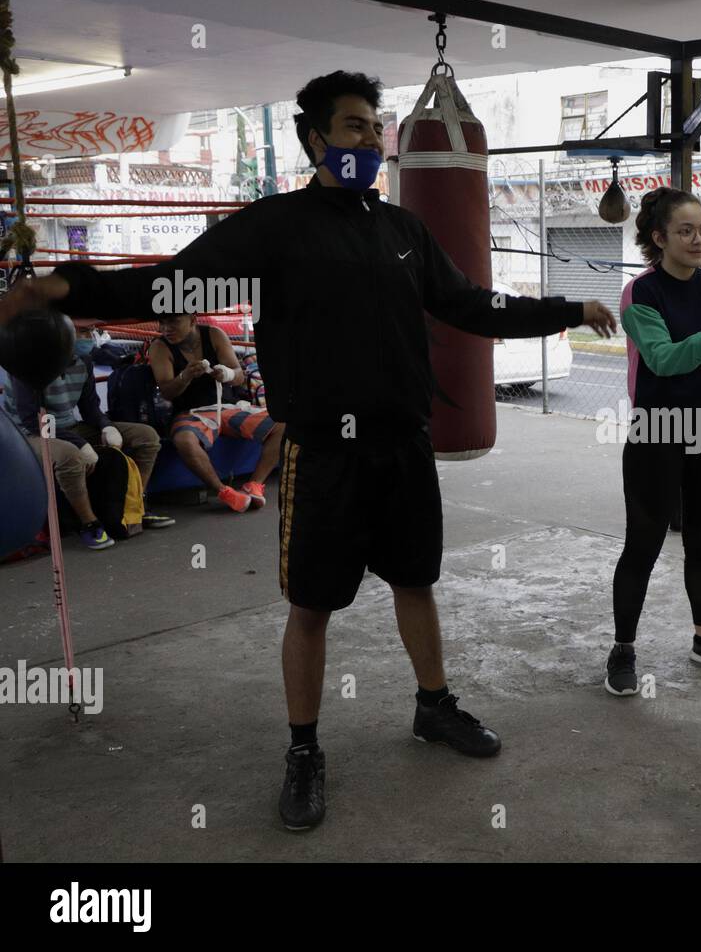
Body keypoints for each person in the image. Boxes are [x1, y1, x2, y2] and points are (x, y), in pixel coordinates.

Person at [0, 70, 616, 831]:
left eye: (375, 127)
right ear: (315, 137)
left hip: (403, 445)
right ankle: (302, 750)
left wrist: (566, 308)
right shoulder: (275, 228)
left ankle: (434, 706)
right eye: (354, 126)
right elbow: (171, 286)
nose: (369, 139)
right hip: (323, 451)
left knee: (416, 583)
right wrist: (66, 287)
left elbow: (467, 304)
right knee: (313, 607)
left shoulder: (402, 231)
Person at [605, 187, 701, 697]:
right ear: (659, 238)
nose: (699, 239)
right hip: (657, 429)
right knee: (642, 542)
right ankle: (623, 649)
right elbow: (662, 359)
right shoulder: (641, 293)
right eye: (685, 231)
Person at [1, 317, 173, 549]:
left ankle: (132, 508)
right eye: (81, 332)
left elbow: (89, 406)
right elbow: (32, 421)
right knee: (70, 456)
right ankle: (89, 523)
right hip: (29, 435)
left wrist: (105, 425)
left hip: (68, 426)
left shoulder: (83, 360)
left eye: (90, 331)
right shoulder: (28, 366)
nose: (88, 338)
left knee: (147, 437)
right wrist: (80, 443)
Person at [149, 312, 283, 512]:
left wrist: (227, 374)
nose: (166, 328)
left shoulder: (214, 334)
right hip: (190, 412)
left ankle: (254, 484)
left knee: (282, 422)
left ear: (193, 320)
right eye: (162, 322)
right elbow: (167, 392)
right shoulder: (159, 347)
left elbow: (238, 376)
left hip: (227, 408)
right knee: (184, 440)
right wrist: (184, 377)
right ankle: (224, 491)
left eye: (173, 321)